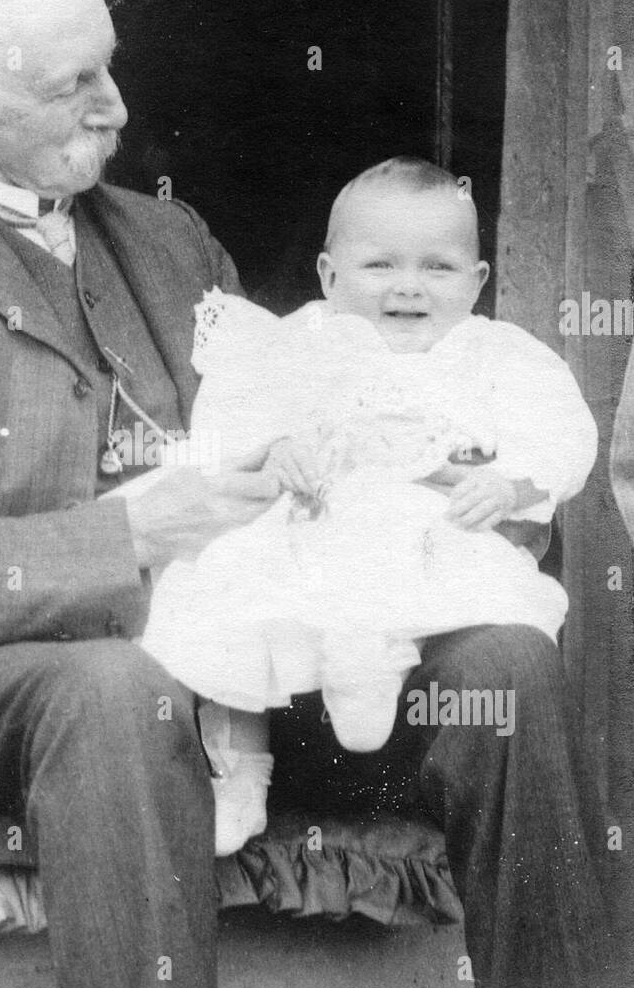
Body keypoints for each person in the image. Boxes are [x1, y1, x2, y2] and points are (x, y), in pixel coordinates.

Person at [0, 0, 608, 988]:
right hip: (23, 682)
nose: (116, 107)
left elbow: (300, 393)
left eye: (109, 66)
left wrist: (380, 472)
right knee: (118, 692)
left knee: (507, 658)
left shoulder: (167, 238)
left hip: (246, 663)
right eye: (75, 84)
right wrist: (127, 534)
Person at [134, 159, 598, 855]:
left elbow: (561, 436)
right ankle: (239, 772)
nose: (408, 286)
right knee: (217, 588)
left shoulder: (496, 356)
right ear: (328, 276)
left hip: (430, 548)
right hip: (308, 540)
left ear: (476, 282)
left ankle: (371, 659)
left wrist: (512, 484)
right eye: (379, 265)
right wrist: (275, 449)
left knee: (470, 611)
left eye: (437, 268)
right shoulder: (303, 343)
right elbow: (232, 419)